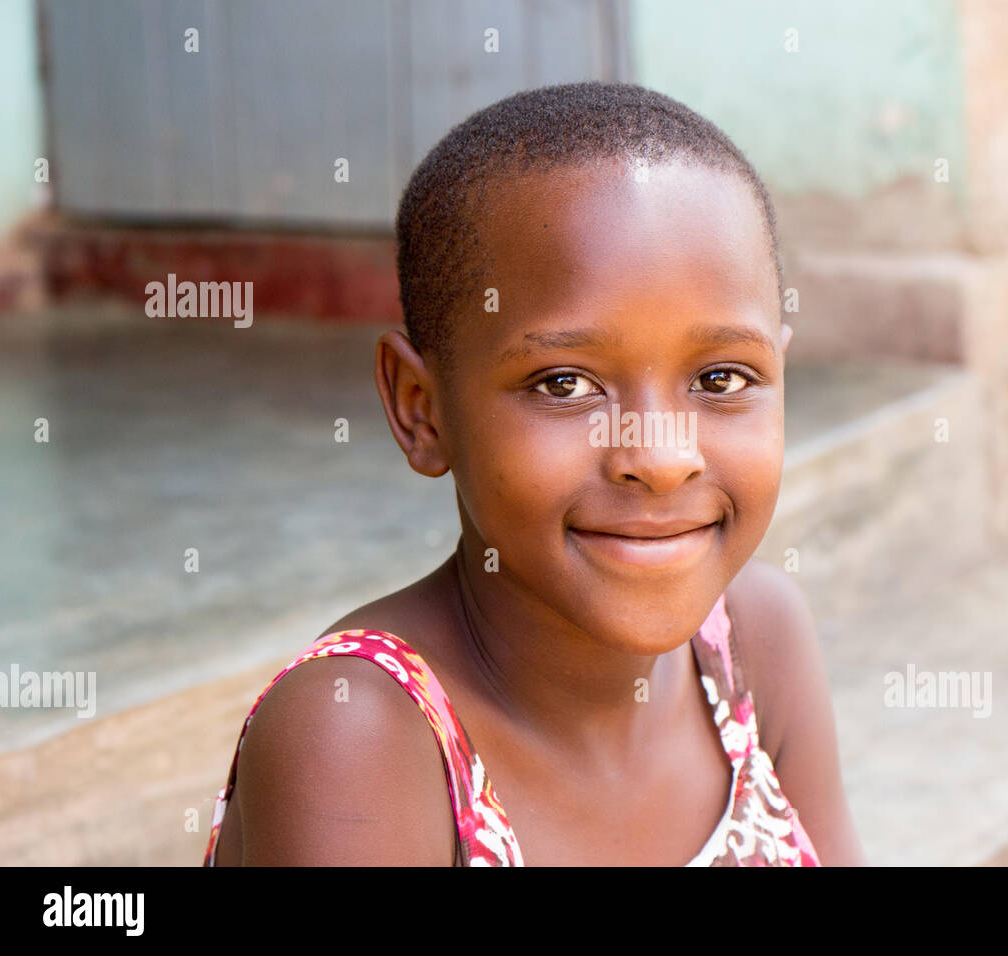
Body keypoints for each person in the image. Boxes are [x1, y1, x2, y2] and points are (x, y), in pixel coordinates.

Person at [204, 81, 864, 866]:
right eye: (564, 384)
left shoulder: (752, 643)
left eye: (721, 379)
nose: (659, 458)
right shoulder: (360, 733)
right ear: (421, 409)